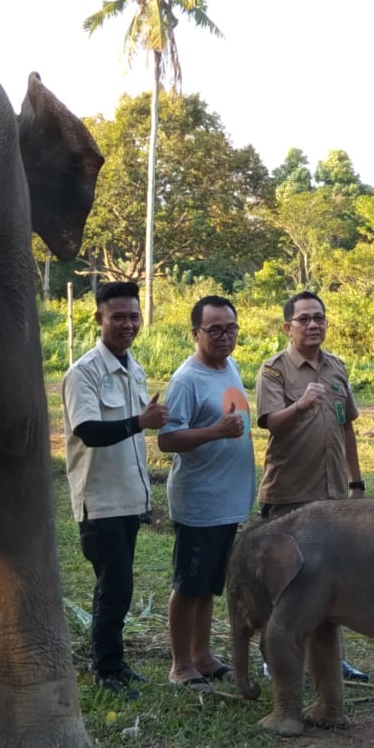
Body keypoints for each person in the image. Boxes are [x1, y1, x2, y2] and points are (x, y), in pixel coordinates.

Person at [60, 281, 169, 697]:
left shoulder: (133, 369)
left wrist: (149, 419)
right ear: (98, 318)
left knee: (119, 587)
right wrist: (141, 422)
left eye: (134, 316)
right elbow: (89, 431)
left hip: (130, 498)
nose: (128, 324)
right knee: (115, 585)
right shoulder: (83, 373)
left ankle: (115, 663)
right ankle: (105, 668)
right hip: (99, 500)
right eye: (118, 316)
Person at [255, 290, 368, 682]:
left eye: (319, 317)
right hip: (289, 493)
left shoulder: (337, 368)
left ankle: (330, 660)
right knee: (282, 579)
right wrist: (300, 405)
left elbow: (346, 425)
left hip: (333, 494)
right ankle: (274, 656)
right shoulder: (274, 370)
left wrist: (355, 482)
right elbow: (270, 423)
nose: (313, 324)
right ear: (288, 327)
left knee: (332, 580)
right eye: (303, 319)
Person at [158, 295, 257, 690]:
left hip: (228, 502)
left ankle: (202, 655)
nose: (224, 336)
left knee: (208, 587)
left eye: (230, 327)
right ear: (196, 333)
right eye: (213, 329)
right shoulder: (186, 379)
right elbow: (167, 439)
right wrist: (215, 431)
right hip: (200, 503)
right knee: (188, 586)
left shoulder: (229, 365)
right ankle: (181, 665)